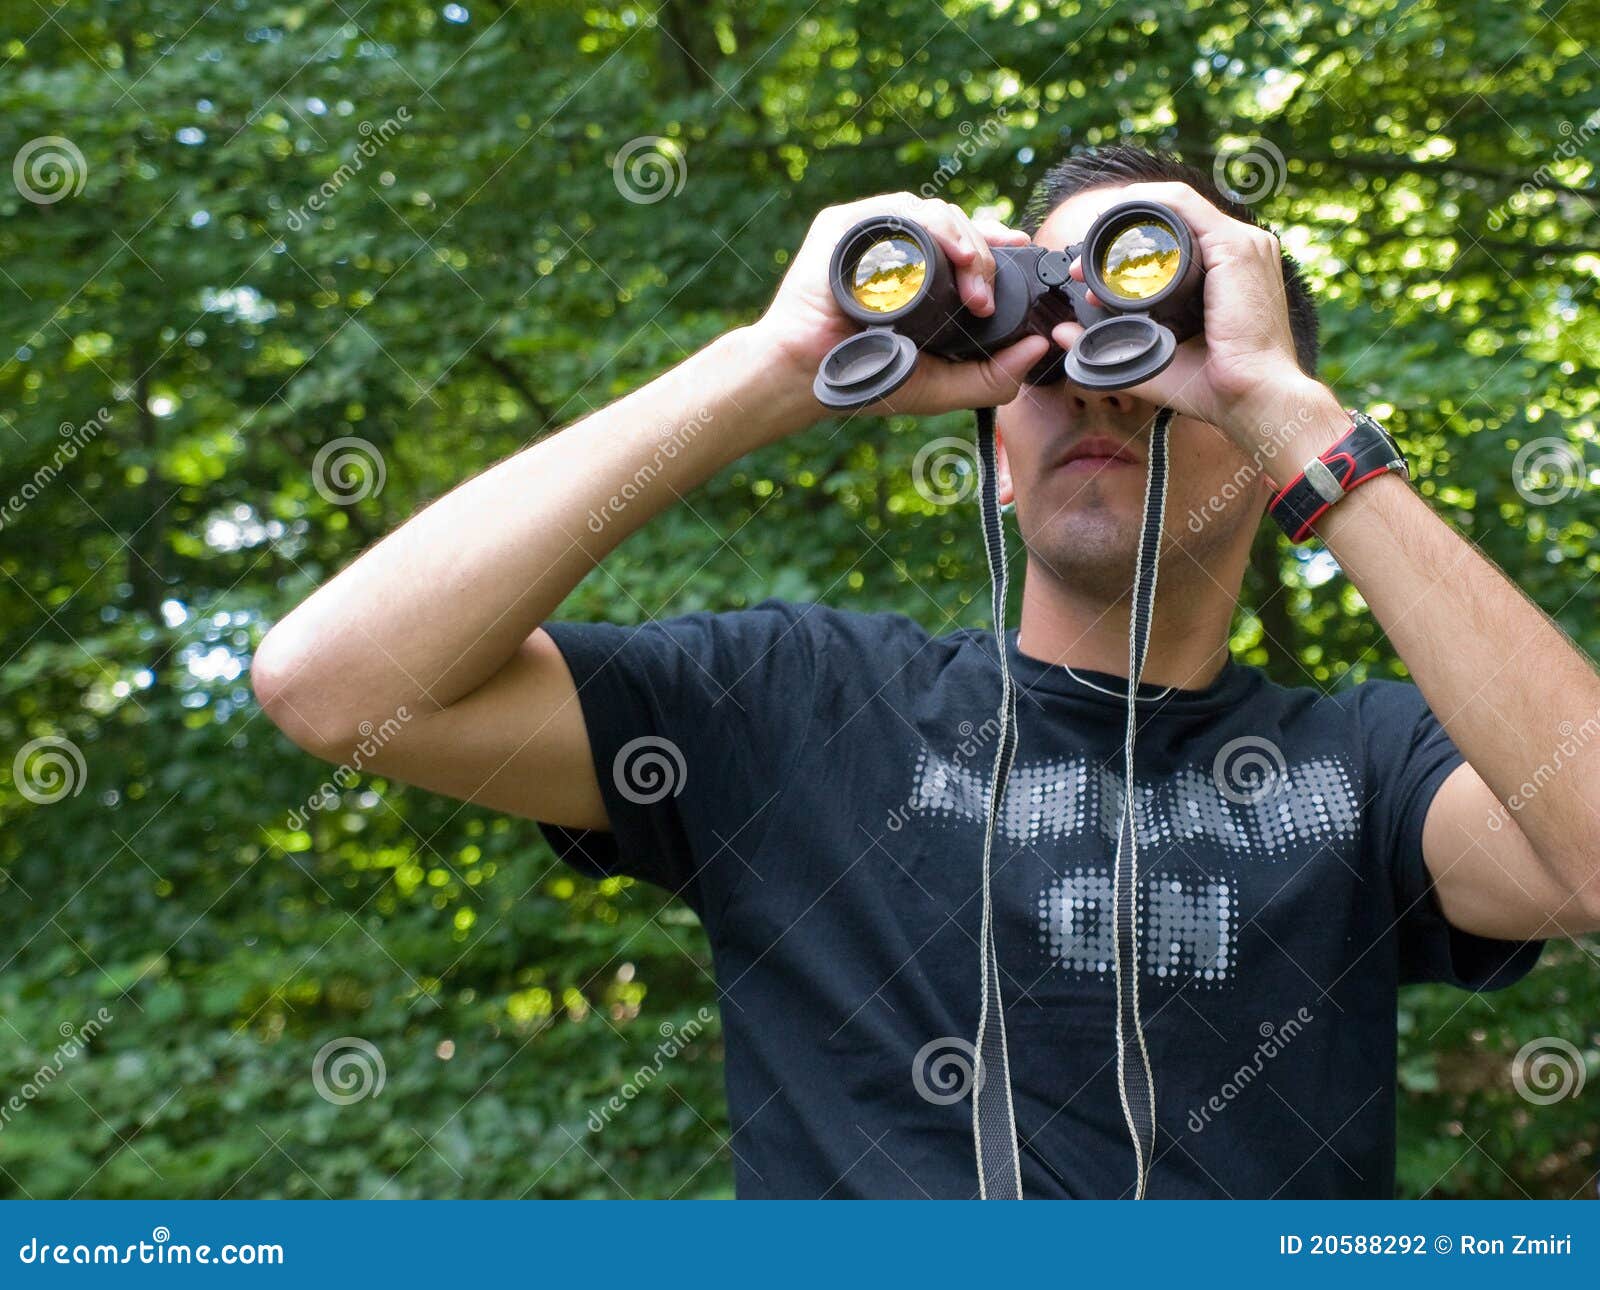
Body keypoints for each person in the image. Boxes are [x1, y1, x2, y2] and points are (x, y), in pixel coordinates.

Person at [251, 144, 1600, 1199]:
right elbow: (335, 685)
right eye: (1049, 342)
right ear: (996, 445)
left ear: (1256, 445)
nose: (1100, 383)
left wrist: (1295, 409)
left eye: (1152, 336)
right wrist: (770, 367)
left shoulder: (1366, 772)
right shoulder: (799, 710)